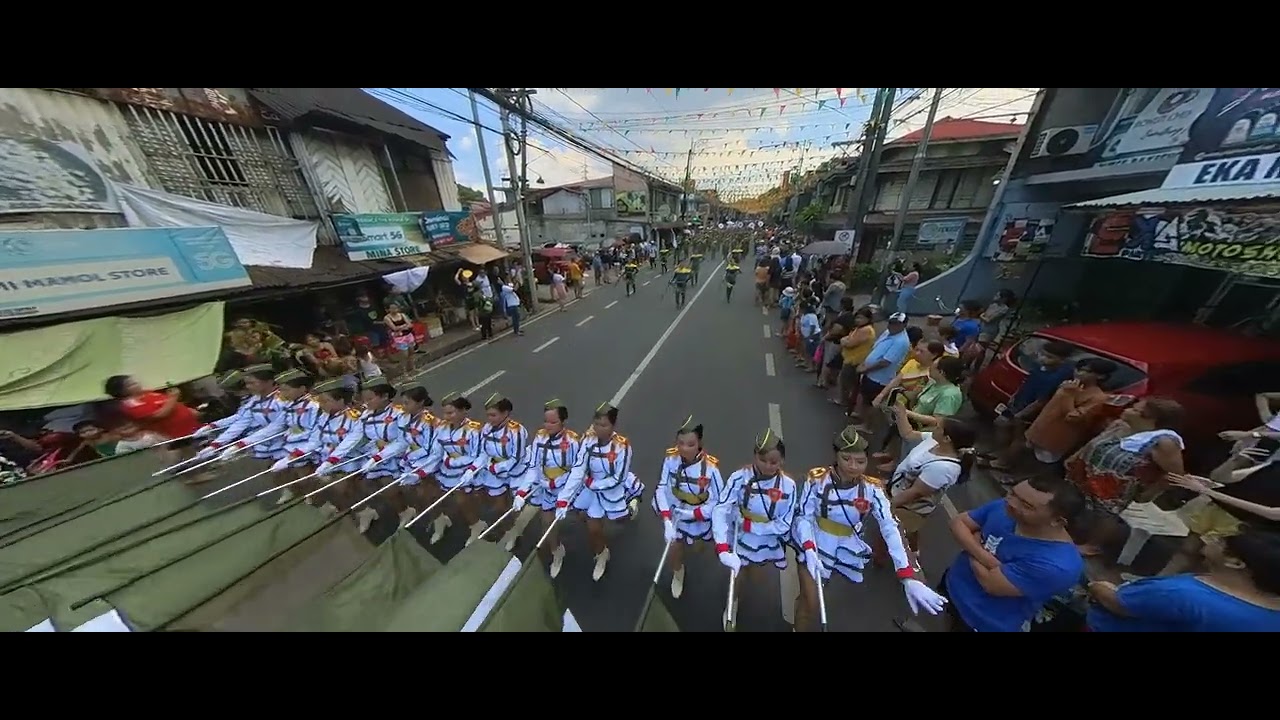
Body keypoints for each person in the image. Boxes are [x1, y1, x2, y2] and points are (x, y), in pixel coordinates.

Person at [792, 426, 946, 631]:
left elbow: (890, 527)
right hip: (814, 541)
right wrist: (809, 547)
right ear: (836, 456)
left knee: (818, 590)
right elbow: (804, 516)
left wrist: (907, 574)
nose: (853, 466)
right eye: (847, 459)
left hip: (847, 545)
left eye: (860, 461)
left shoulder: (873, 489)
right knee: (811, 600)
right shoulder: (817, 479)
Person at [940, 476, 1086, 632]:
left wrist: (973, 540)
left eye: (1027, 505)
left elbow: (991, 584)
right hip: (952, 586)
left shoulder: (1058, 565)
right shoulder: (1007, 508)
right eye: (1013, 493)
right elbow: (958, 523)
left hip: (983, 621)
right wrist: (986, 557)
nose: (1011, 503)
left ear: (1058, 521)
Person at [1086, 530, 1280, 632]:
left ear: (1236, 562)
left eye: (1221, 542)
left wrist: (1099, 587)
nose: (1212, 539)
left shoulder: (1183, 594)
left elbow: (1117, 603)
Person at [712, 429, 800, 626]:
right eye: (763, 460)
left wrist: (756, 527)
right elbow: (721, 509)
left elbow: (785, 522)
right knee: (739, 575)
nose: (768, 466)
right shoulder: (739, 477)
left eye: (774, 462)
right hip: (740, 535)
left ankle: (739, 594)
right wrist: (722, 545)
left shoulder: (789, 486)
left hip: (766, 539)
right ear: (754, 456)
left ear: (782, 461)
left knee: (756, 576)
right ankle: (732, 604)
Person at [555, 402, 643, 581]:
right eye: (596, 424)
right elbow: (579, 468)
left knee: (621, 519)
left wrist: (594, 484)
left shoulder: (622, 446)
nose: (599, 429)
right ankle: (602, 554)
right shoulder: (588, 440)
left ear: (613, 425)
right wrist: (563, 499)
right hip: (591, 488)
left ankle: (632, 505)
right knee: (591, 525)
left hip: (611, 488)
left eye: (604, 425)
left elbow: (618, 478)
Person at [1065, 396, 1185, 517]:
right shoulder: (1120, 425)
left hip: (1101, 505)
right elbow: (1093, 444)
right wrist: (1074, 458)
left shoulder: (1163, 443)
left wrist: (1148, 494)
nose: (1127, 410)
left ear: (1150, 420)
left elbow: (1176, 476)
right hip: (1073, 486)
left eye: (1134, 410)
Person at [320, 377, 405, 534]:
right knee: (368, 486)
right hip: (373, 458)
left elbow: (404, 441)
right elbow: (354, 438)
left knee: (392, 489)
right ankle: (373, 511)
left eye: (370, 399)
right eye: (364, 399)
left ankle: (407, 511)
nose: (366, 403)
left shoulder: (399, 414)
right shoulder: (366, 416)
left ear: (385, 396)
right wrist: (332, 460)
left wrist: (380, 454)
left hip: (399, 458)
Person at [653, 416, 725, 599]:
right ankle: (678, 572)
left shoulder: (711, 469)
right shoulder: (670, 460)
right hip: (676, 512)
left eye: (690, 444)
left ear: (699, 443)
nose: (684, 449)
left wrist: (695, 513)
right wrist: (667, 519)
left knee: (696, 547)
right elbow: (662, 487)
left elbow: (719, 502)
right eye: (681, 443)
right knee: (674, 548)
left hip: (698, 515)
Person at [225, 369, 321, 504]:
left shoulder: (315, 406)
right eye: (282, 390)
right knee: (276, 468)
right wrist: (242, 443)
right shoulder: (289, 403)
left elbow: (314, 434)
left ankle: (315, 496)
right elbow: (276, 426)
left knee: (303, 472)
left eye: (287, 390)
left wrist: (295, 452)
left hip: (308, 446)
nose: (282, 393)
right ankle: (292, 490)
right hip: (288, 442)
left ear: (302, 389)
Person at [512, 400, 582, 578]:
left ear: (563, 422)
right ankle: (557, 550)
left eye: (553, 422)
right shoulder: (540, 437)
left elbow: (576, 470)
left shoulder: (572, 441)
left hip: (566, 488)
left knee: (583, 519)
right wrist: (522, 491)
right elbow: (534, 467)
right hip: (546, 487)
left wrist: (558, 483)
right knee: (547, 524)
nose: (548, 426)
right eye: (546, 421)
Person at [888, 414, 978, 552]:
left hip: (907, 506)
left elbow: (915, 492)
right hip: (898, 491)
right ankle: (913, 550)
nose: (934, 428)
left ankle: (881, 556)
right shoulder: (935, 440)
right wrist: (900, 411)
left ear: (947, 439)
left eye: (938, 427)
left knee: (889, 531)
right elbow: (908, 434)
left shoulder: (943, 468)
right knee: (909, 529)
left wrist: (889, 505)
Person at [989, 340, 1076, 472]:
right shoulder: (1040, 366)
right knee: (1000, 424)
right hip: (1019, 403)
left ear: (1062, 360)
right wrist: (1015, 396)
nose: (1043, 358)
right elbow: (1028, 381)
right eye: (1043, 354)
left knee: (1019, 438)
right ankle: (1001, 453)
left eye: (1049, 357)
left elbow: (1041, 401)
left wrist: (1022, 414)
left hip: (1031, 411)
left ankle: (1004, 462)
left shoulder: (1058, 377)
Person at [1020, 357, 1118, 468]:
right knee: (1024, 454)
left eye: (1086, 371)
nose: (1078, 373)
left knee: (1039, 465)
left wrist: (1069, 395)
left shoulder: (1097, 397)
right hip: (1039, 429)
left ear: (1100, 376)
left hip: (1056, 437)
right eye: (1078, 369)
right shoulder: (1069, 384)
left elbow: (1072, 418)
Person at [197, 364, 285, 473]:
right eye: (247, 383)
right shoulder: (257, 398)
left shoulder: (283, 401)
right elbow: (241, 420)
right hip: (269, 442)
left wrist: (241, 444)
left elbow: (274, 428)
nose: (248, 386)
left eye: (252, 383)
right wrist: (216, 441)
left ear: (268, 382)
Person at [376, 384, 442, 528]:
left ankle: (439, 518)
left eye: (407, 403)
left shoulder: (429, 421)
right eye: (403, 402)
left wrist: (417, 467)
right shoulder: (403, 418)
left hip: (426, 462)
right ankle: (427, 516)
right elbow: (401, 441)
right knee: (413, 493)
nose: (403, 406)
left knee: (426, 494)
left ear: (420, 403)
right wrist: (380, 456)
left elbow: (431, 449)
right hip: (409, 460)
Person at [103, 374, 202, 462]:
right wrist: (173, 397)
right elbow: (160, 414)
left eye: (134, 381)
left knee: (199, 448)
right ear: (122, 391)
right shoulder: (130, 404)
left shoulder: (147, 393)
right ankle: (193, 477)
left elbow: (169, 404)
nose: (137, 384)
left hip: (190, 426)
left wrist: (188, 410)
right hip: (174, 433)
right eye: (131, 384)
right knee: (186, 455)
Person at [471, 393, 529, 542]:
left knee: (516, 504)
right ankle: (505, 530)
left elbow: (516, 458)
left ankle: (515, 530)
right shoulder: (487, 429)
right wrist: (474, 468)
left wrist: (495, 468)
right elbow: (484, 452)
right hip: (494, 469)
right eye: (488, 415)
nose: (490, 419)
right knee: (498, 505)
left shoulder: (517, 431)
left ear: (505, 413)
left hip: (515, 470)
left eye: (493, 415)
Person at [300, 378, 364, 514]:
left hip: (351, 460)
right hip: (327, 459)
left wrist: (331, 461)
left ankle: (362, 510)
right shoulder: (324, 416)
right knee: (308, 478)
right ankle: (339, 506)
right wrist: (298, 453)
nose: (321, 405)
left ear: (340, 401)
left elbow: (349, 446)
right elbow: (315, 439)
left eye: (325, 401)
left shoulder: (355, 418)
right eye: (320, 401)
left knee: (335, 486)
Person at [854, 312, 912, 430]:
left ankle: (867, 426)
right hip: (870, 374)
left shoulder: (901, 341)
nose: (892, 326)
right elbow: (876, 348)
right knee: (865, 397)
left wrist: (865, 369)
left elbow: (885, 362)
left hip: (879, 378)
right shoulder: (888, 333)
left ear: (904, 325)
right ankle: (862, 416)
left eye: (896, 324)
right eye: (891, 323)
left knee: (872, 403)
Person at [383, 302, 417, 375]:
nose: (394, 309)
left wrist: (402, 327)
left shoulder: (402, 315)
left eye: (395, 308)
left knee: (411, 352)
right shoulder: (387, 318)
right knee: (404, 355)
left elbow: (410, 324)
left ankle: (412, 368)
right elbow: (394, 328)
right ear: (389, 309)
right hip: (399, 338)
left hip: (408, 335)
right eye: (392, 308)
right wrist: (404, 326)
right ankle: (404, 371)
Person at [796, 301, 822, 373]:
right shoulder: (805, 315)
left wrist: (810, 337)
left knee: (810, 351)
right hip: (806, 335)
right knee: (806, 350)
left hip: (812, 335)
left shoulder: (811, 316)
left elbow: (813, 327)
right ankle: (806, 363)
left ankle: (811, 366)